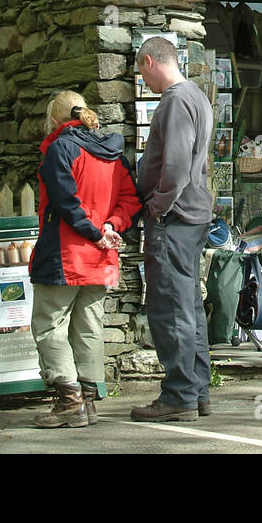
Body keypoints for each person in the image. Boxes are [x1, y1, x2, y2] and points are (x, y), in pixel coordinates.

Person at [31, 91, 141, 428]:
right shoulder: (112, 152)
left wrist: (93, 231)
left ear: (54, 120)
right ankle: (88, 403)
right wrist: (111, 227)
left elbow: (65, 202)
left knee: (50, 324)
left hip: (66, 253)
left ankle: (69, 403)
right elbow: (130, 199)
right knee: (90, 325)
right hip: (101, 255)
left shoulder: (59, 149)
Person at [130, 36, 216, 422]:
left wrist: (157, 207)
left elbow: (177, 166)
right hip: (192, 215)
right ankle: (197, 392)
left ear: (149, 61)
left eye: (141, 72)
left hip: (174, 217)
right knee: (189, 306)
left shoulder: (176, 100)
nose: (143, 82)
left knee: (170, 307)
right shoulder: (196, 94)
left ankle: (179, 396)